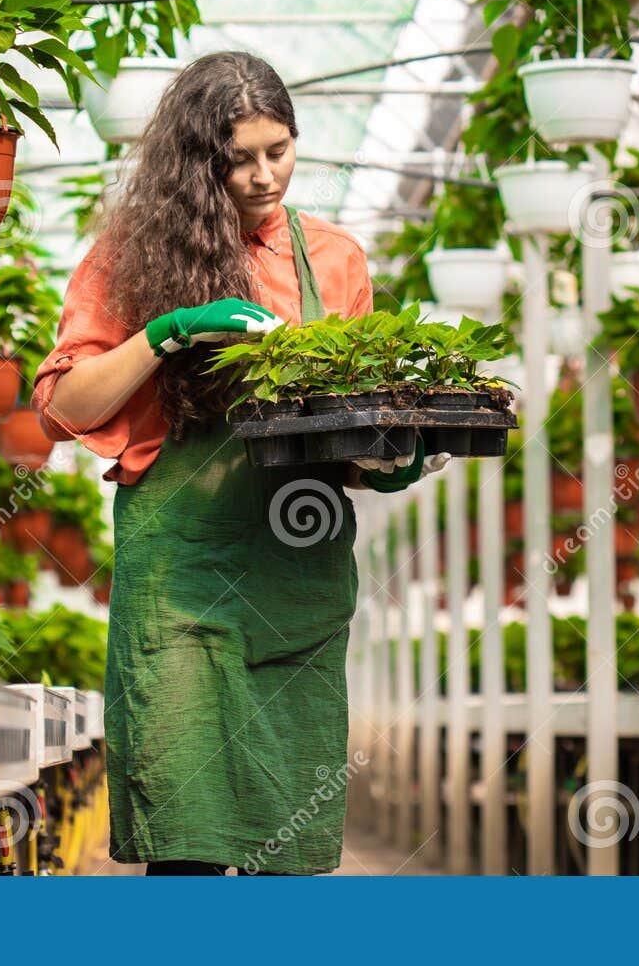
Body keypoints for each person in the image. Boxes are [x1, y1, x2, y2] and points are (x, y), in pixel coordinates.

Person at [33, 51, 442, 876]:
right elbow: (63, 404)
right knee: (187, 839)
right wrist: (167, 332)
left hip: (295, 576)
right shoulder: (135, 256)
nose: (264, 176)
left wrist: (389, 456)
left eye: (278, 150)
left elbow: (346, 438)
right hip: (182, 581)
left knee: (282, 848)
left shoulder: (336, 260)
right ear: (197, 159)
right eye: (239, 158)